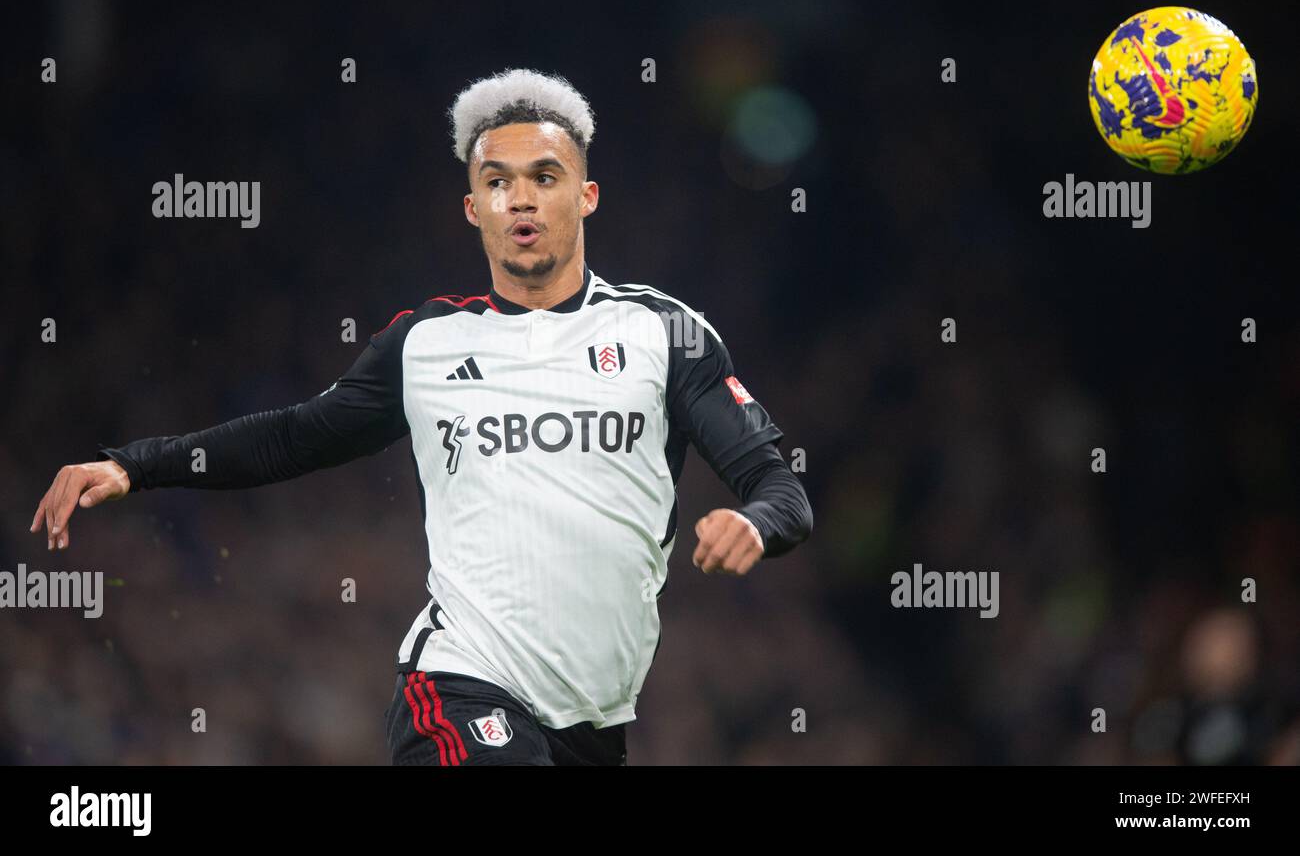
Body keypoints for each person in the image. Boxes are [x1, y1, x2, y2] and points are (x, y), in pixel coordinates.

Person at [30, 68, 813, 766]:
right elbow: (296, 435)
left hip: (592, 724)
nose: (523, 198)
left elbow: (781, 488)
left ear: (587, 194)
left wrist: (753, 523)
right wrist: (136, 462)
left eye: (546, 175)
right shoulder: (428, 343)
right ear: (473, 208)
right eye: (499, 182)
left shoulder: (664, 334)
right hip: (460, 687)